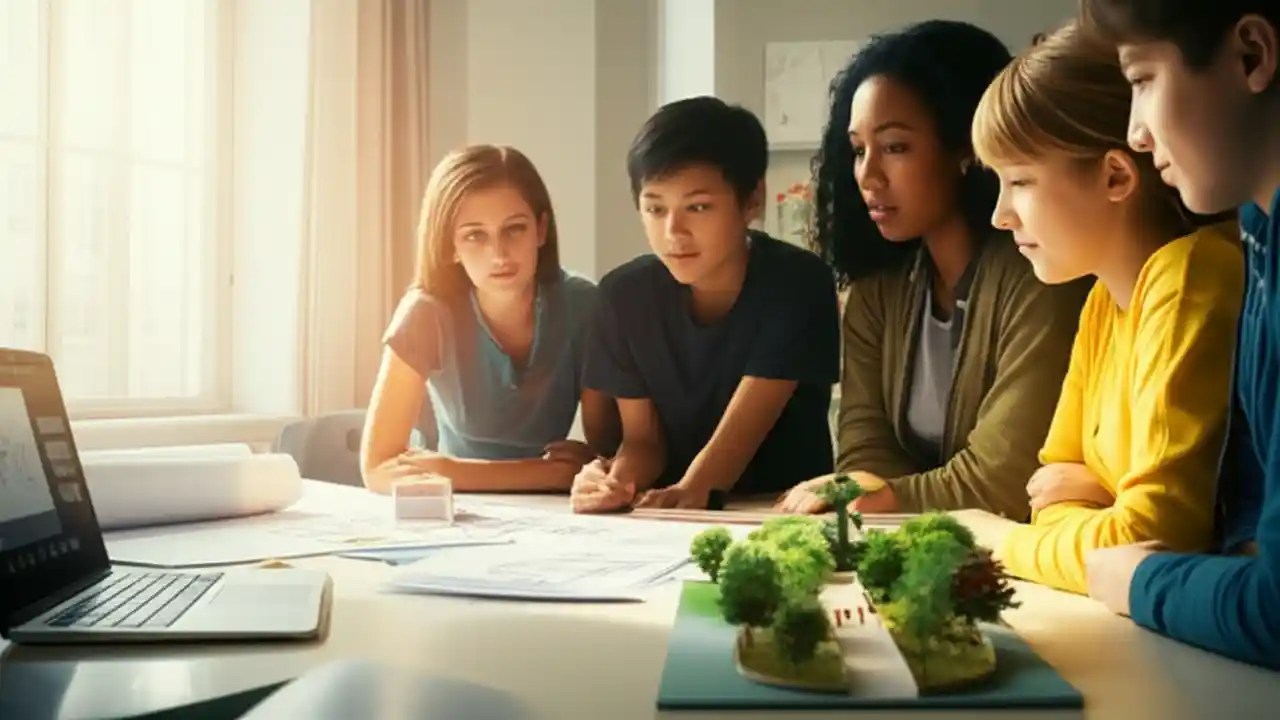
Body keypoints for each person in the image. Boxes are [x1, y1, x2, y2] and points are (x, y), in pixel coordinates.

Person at [970, 22, 1243, 594]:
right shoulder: (1102, 300)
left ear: (1116, 175)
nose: (1000, 214)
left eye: (1019, 181)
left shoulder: (1188, 276)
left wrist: (998, 541)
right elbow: (1046, 492)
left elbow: (1154, 540)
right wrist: (1098, 511)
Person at [776, 20, 1089, 520]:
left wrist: (893, 496)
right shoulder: (877, 290)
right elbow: (862, 459)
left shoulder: (1041, 275)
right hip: (928, 547)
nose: (868, 174)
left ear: (966, 147)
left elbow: (1007, 479)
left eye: (896, 147)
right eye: (858, 150)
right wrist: (879, 494)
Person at [1079, 0, 1280, 670]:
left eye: (1142, 80)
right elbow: (1253, 514)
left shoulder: (1205, 265)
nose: (1134, 132)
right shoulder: (1260, 228)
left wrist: (1140, 581)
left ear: (1251, 56)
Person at [569, 96, 840, 513]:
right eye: (655, 208)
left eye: (697, 207)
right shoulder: (624, 295)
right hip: (669, 513)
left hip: (780, 513)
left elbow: (733, 447)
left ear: (752, 200)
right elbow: (644, 441)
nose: (673, 231)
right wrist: (618, 479)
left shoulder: (798, 282)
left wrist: (691, 489)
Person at [361, 145, 617, 494]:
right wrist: (548, 474)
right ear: (449, 244)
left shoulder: (584, 306)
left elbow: (605, 454)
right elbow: (377, 467)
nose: (499, 254)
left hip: (553, 510)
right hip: (455, 507)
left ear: (540, 230)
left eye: (514, 230)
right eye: (474, 235)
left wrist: (449, 471)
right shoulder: (426, 312)